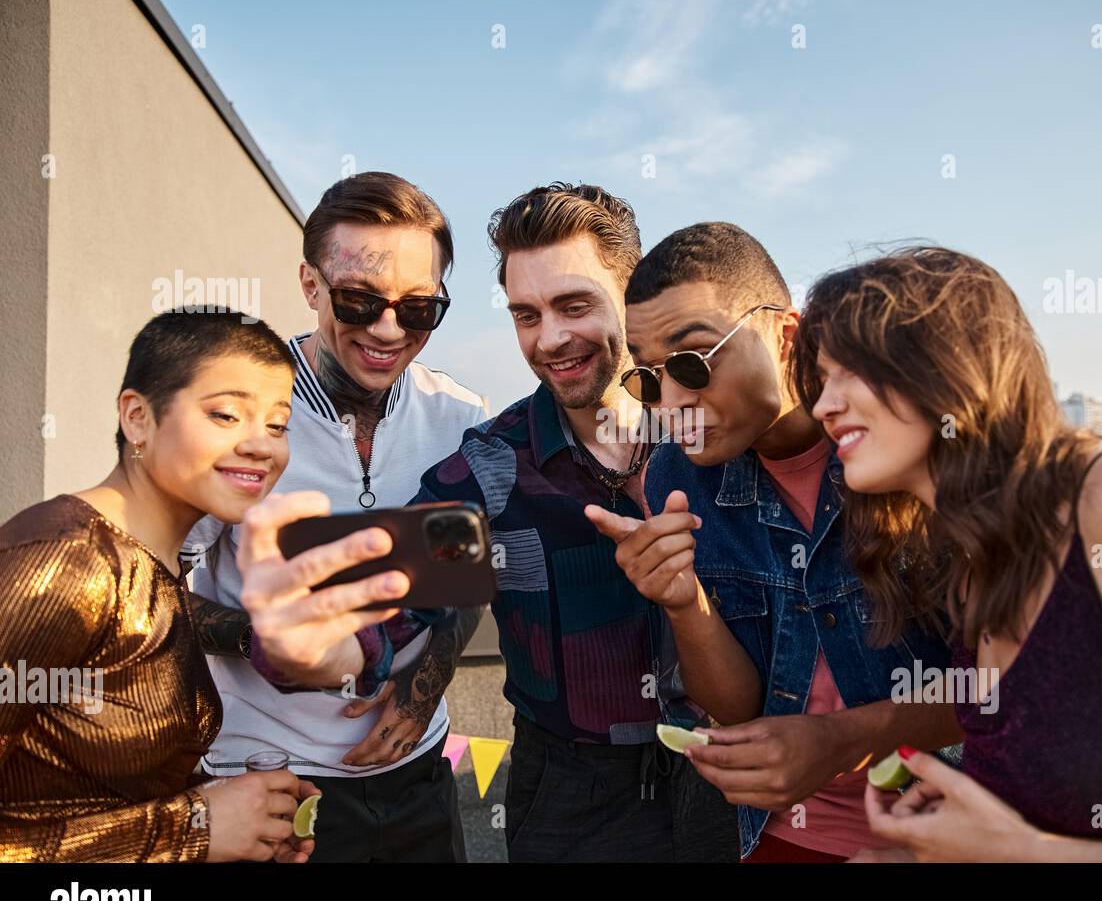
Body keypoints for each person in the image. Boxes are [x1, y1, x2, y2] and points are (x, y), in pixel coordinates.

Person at [787, 246, 1102, 860]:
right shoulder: (975, 566)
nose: (823, 406)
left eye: (849, 370)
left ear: (948, 362)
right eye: (822, 379)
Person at [588, 223, 958, 863]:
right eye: (647, 378)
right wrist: (683, 601)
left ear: (785, 336)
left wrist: (839, 741)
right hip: (781, 833)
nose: (671, 402)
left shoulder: (904, 444)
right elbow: (736, 705)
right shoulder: (677, 476)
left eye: (692, 363)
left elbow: (997, 686)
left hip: (954, 825)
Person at [403, 182, 737, 861]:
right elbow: (392, 594)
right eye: (526, 315)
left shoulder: (717, 441)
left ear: (633, 293)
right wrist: (314, 637)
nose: (550, 338)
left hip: (728, 777)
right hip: (568, 801)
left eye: (574, 305)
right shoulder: (489, 468)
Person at [182, 172, 487, 862]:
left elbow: (465, 574)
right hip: (266, 785)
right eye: (359, 301)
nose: (388, 330)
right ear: (310, 285)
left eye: (418, 310)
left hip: (418, 771)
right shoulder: (231, 412)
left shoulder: (462, 419)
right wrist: (268, 637)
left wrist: (426, 676)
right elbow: (150, 590)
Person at [0, 310, 318, 862]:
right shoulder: (65, 564)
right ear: (138, 418)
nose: (261, 446)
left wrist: (236, 813)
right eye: (225, 415)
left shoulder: (156, 562)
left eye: (277, 424)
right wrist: (195, 829)